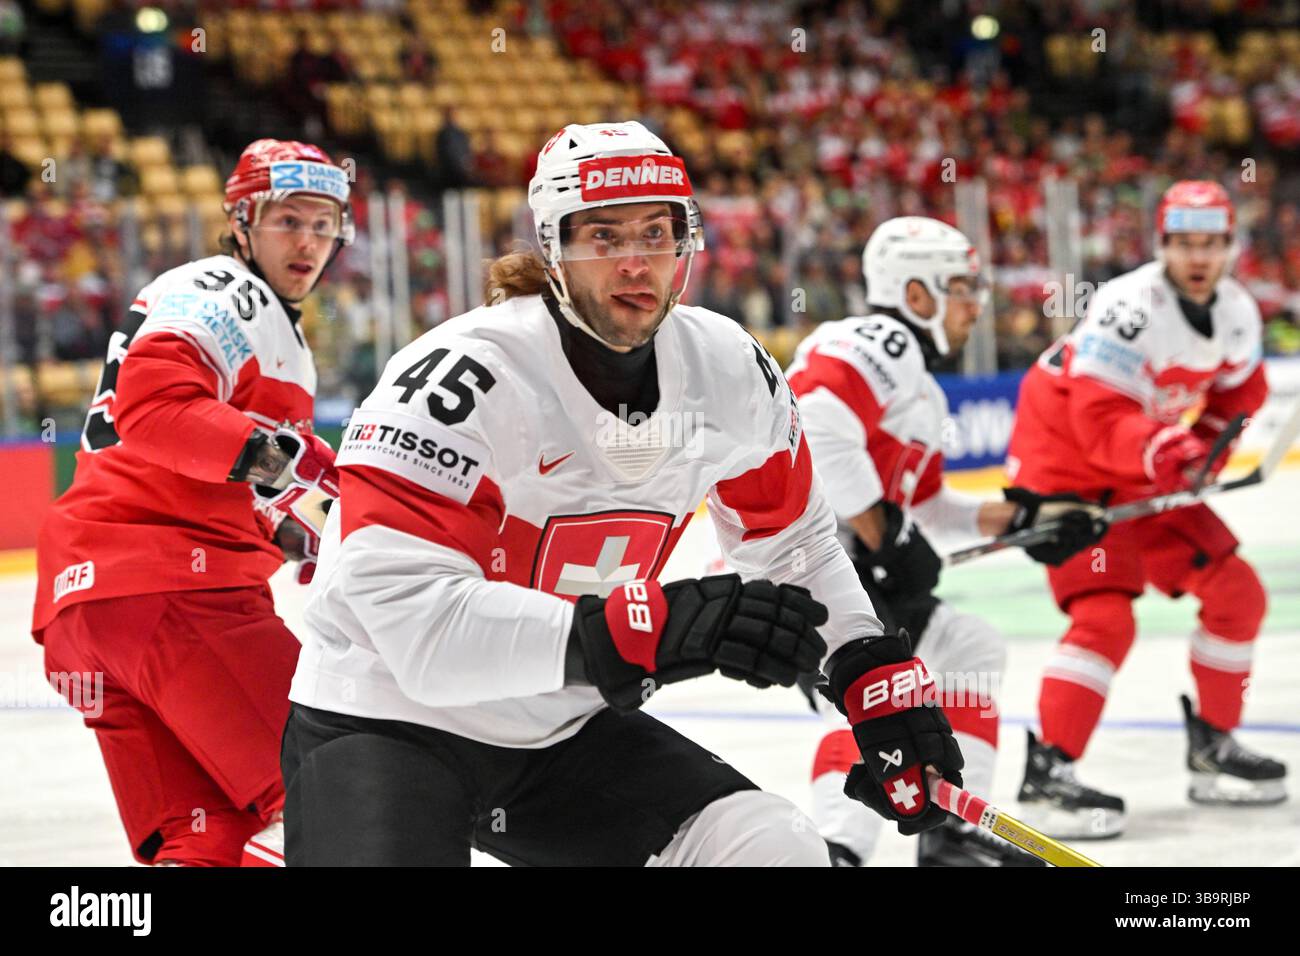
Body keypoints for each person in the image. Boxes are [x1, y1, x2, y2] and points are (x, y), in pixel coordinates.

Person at [280, 121, 964, 866]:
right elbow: (414, 626)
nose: (637, 262)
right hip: (386, 717)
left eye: (656, 232)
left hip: (562, 730)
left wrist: (869, 672)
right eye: (604, 237)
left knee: (772, 848)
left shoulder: (729, 366)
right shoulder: (461, 376)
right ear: (553, 249)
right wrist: (650, 630)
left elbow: (792, 544)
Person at [31, 139, 355, 866]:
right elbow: (153, 403)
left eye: (324, 224)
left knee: (208, 840)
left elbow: (201, 455)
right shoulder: (226, 291)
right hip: (174, 591)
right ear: (242, 221)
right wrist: (291, 461)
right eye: (288, 220)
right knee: (339, 791)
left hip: (88, 608)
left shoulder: (261, 321)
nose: (308, 240)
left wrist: (294, 532)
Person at [784, 216, 1107, 866]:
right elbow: (810, 418)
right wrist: (883, 530)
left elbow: (926, 508)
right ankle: (841, 850)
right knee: (872, 694)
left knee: (966, 646)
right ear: (915, 294)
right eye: (959, 286)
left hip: (836, 570)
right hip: (799, 565)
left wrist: (1024, 521)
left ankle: (946, 834)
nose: (975, 302)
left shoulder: (920, 391)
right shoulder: (878, 340)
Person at [1006, 180, 1287, 838]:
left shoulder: (1239, 312)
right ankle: (1050, 772)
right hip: (1065, 462)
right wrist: (1171, 449)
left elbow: (1240, 388)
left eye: (1211, 243)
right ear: (1163, 245)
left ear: (1229, 247)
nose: (1198, 256)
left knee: (1237, 592)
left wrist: (1210, 447)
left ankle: (1213, 747)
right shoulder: (1130, 304)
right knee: (1105, 618)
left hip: (1140, 466)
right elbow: (1097, 413)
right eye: (1185, 243)